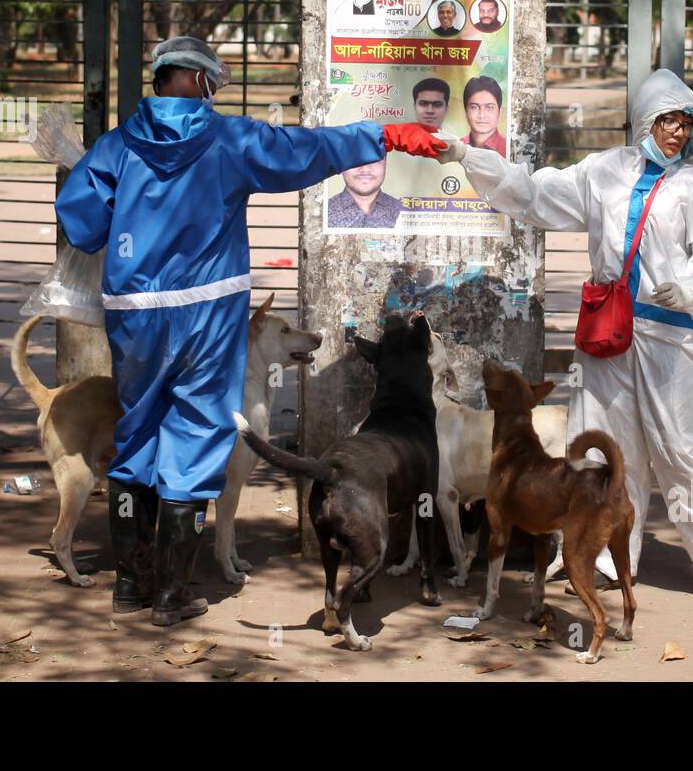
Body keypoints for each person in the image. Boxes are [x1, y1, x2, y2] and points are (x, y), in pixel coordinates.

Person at [55, 36, 443, 626]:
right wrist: (383, 134)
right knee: (194, 437)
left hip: (134, 315)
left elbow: (82, 226)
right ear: (202, 81)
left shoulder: (115, 147)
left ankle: (130, 585)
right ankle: (171, 595)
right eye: (216, 83)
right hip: (207, 312)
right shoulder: (228, 139)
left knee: (136, 434)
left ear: (161, 79)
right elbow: (302, 151)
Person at [400, 69, 693, 606]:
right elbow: (535, 193)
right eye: (667, 121)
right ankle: (606, 554)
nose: (677, 133)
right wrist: (469, 157)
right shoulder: (604, 172)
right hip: (609, 335)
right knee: (605, 442)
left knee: (684, 448)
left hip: (670, 339)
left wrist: (688, 287)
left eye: (685, 123)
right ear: (643, 124)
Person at [326, 158, 404, 229]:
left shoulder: (404, 213)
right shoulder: (322, 213)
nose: (365, 169)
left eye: (374, 159)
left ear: (385, 164)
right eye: (355, 158)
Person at [462, 75, 506, 156]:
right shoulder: (457, 148)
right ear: (465, 111)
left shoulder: (508, 148)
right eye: (474, 107)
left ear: (500, 112)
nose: (482, 115)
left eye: (489, 107)